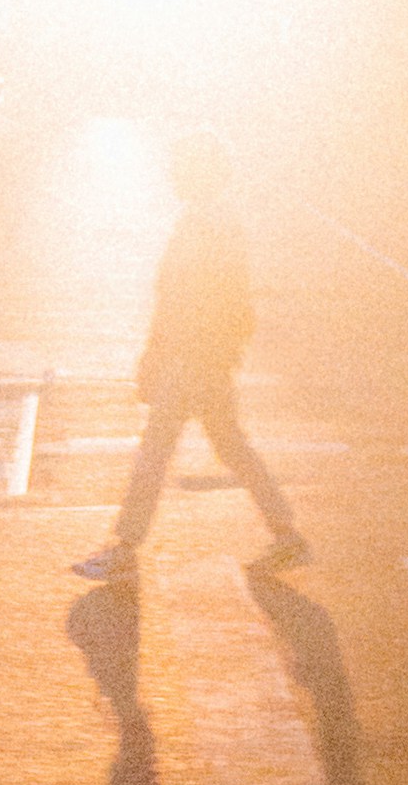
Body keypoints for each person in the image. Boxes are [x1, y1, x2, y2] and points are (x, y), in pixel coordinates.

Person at [72, 131, 307, 581]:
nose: (173, 175)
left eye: (181, 167)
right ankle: (287, 536)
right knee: (229, 446)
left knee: (157, 449)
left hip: (194, 356)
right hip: (200, 355)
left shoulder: (208, 224)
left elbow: (198, 297)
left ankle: (125, 547)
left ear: (201, 173)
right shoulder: (206, 219)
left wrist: (170, 352)